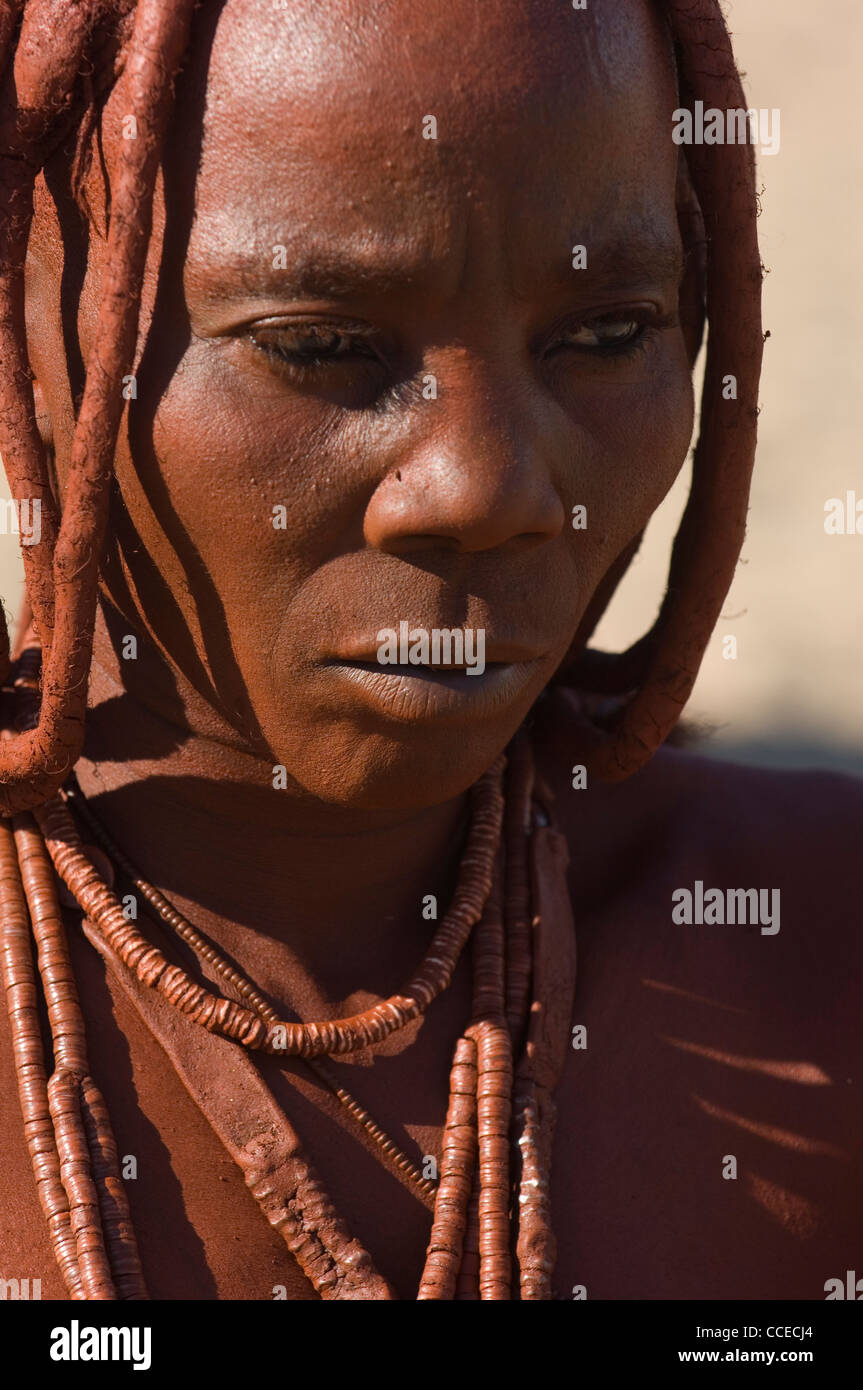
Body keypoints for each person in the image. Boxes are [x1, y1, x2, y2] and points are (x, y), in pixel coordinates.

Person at [0, 0, 859, 1301]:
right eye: (323, 347)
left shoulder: (821, 954)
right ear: (22, 307)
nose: (485, 486)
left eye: (607, 333)